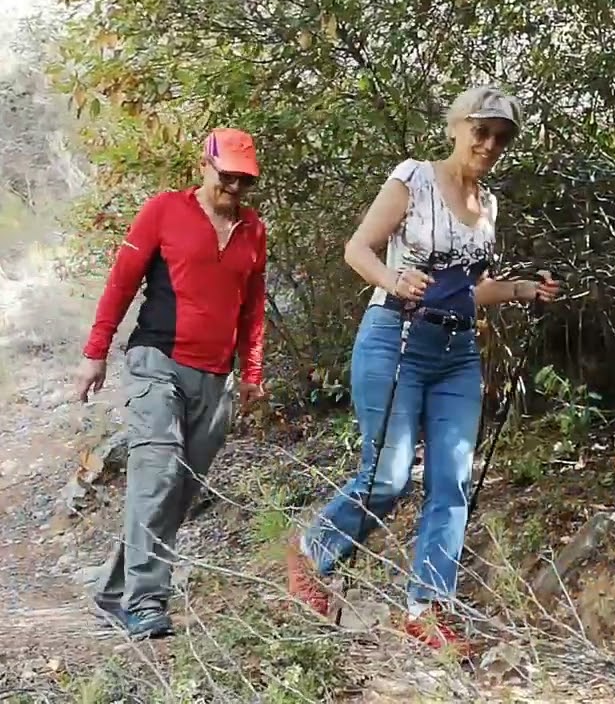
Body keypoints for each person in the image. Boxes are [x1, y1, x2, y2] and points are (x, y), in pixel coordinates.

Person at [285, 86, 560, 652]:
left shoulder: (488, 206)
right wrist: (393, 280)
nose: (489, 143)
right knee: (386, 477)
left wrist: (521, 289)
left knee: (452, 482)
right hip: (395, 339)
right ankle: (311, 555)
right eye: (481, 130)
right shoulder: (413, 177)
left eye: (501, 136)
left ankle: (428, 609)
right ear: (456, 127)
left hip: (456, 354)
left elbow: (471, 290)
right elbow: (358, 248)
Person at [74, 127, 269, 640]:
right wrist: (95, 353)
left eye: (243, 180)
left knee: (180, 491)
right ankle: (145, 601)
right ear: (204, 166)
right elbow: (122, 282)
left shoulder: (253, 230)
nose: (233, 187)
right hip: (155, 359)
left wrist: (251, 372)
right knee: (157, 473)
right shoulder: (164, 210)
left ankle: (114, 588)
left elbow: (253, 308)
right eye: (226, 175)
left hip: (216, 375)